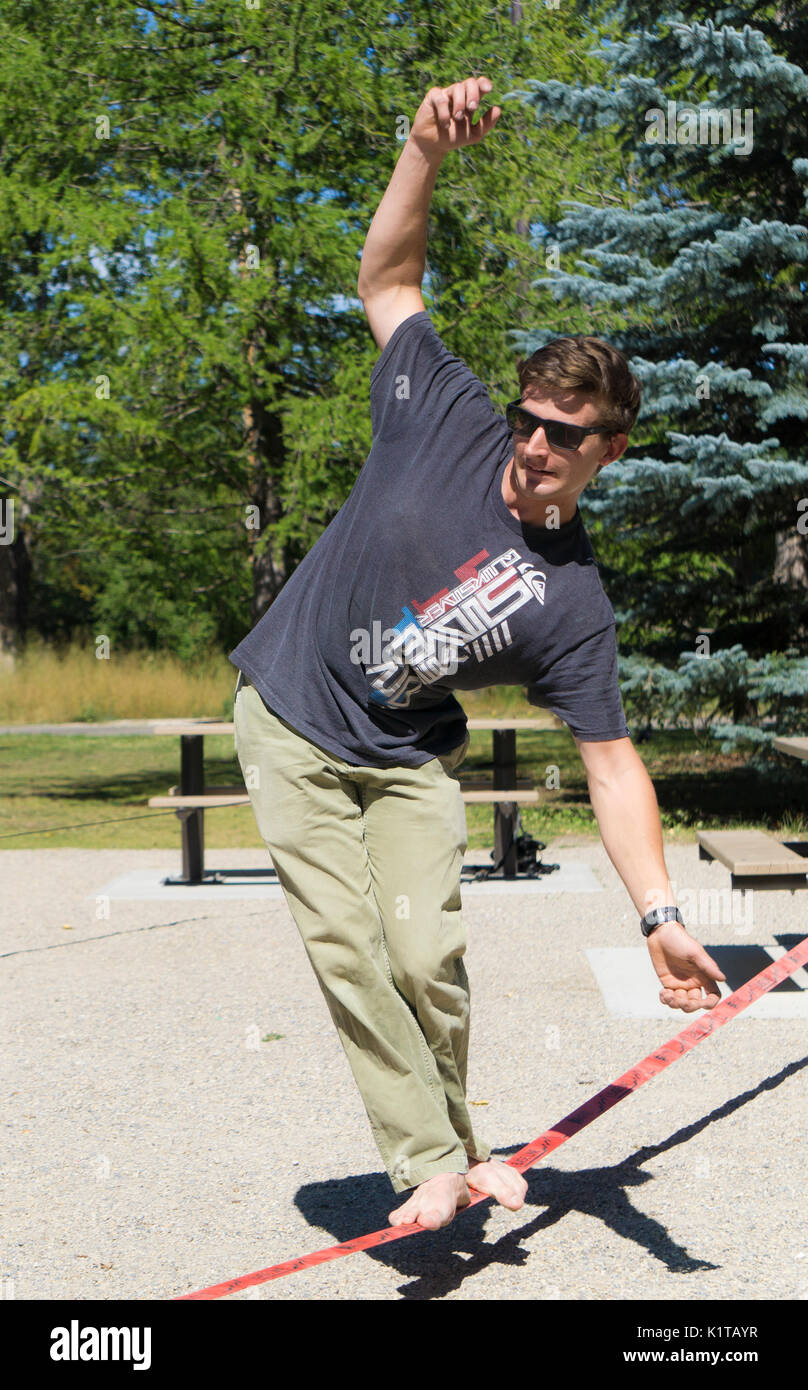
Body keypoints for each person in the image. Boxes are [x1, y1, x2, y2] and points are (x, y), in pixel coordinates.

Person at [229, 75, 726, 1233]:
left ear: (609, 448)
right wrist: (421, 149)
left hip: (401, 751)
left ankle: (456, 1142)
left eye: (564, 433)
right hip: (292, 711)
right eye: (529, 418)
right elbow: (387, 280)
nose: (535, 444)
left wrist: (659, 915)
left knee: (427, 956)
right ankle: (428, 1157)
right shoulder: (439, 405)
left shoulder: (572, 603)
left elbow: (611, 765)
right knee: (350, 947)